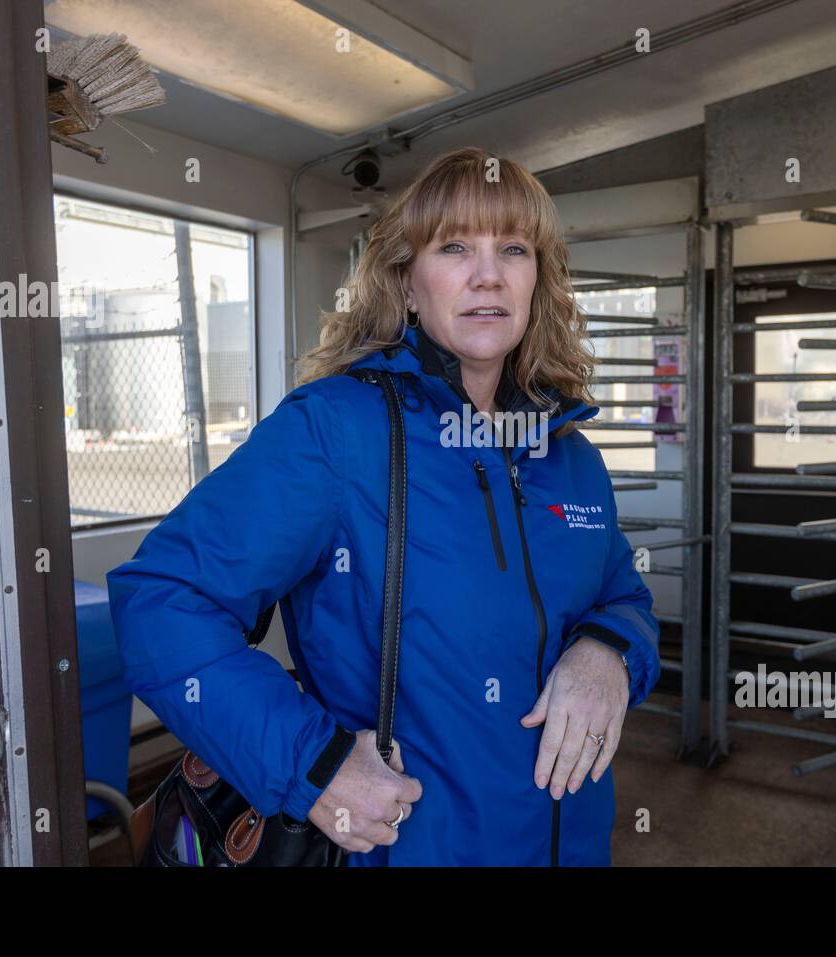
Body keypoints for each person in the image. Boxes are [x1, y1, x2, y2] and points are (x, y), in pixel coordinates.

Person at [107, 146, 660, 866]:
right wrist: (316, 762)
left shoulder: (571, 457)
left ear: (537, 281)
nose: (487, 273)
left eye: (513, 249)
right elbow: (161, 600)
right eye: (455, 246)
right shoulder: (336, 432)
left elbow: (624, 594)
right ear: (406, 283)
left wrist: (610, 651)